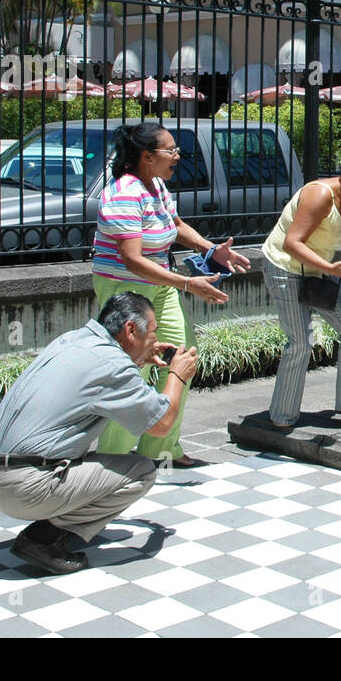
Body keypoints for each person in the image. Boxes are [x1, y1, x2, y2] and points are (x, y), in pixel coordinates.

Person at [0, 293, 196, 574]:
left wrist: (138, 356)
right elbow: (161, 423)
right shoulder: (114, 366)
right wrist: (177, 376)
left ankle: (51, 519)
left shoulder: (73, 339)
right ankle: (42, 541)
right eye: (152, 333)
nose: (154, 340)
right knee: (141, 471)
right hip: (20, 487)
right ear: (130, 330)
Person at [92, 123, 250, 468]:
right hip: (126, 290)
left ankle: (160, 449)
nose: (178, 156)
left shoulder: (157, 186)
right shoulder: (124, 193)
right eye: (171, 151)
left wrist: (212, 250)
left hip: (161, 287)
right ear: (147, 157)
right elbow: (132, 260)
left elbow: (175, 225)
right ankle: (112, 457)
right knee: (129, 369)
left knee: (180, 358)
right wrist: (187, 283)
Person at [232, 147, 341, 433]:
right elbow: (292, 243)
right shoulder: (319, 195)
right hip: (284, 267)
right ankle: (283, 415)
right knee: (301, 341)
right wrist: (331, 270)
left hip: (319, 268)